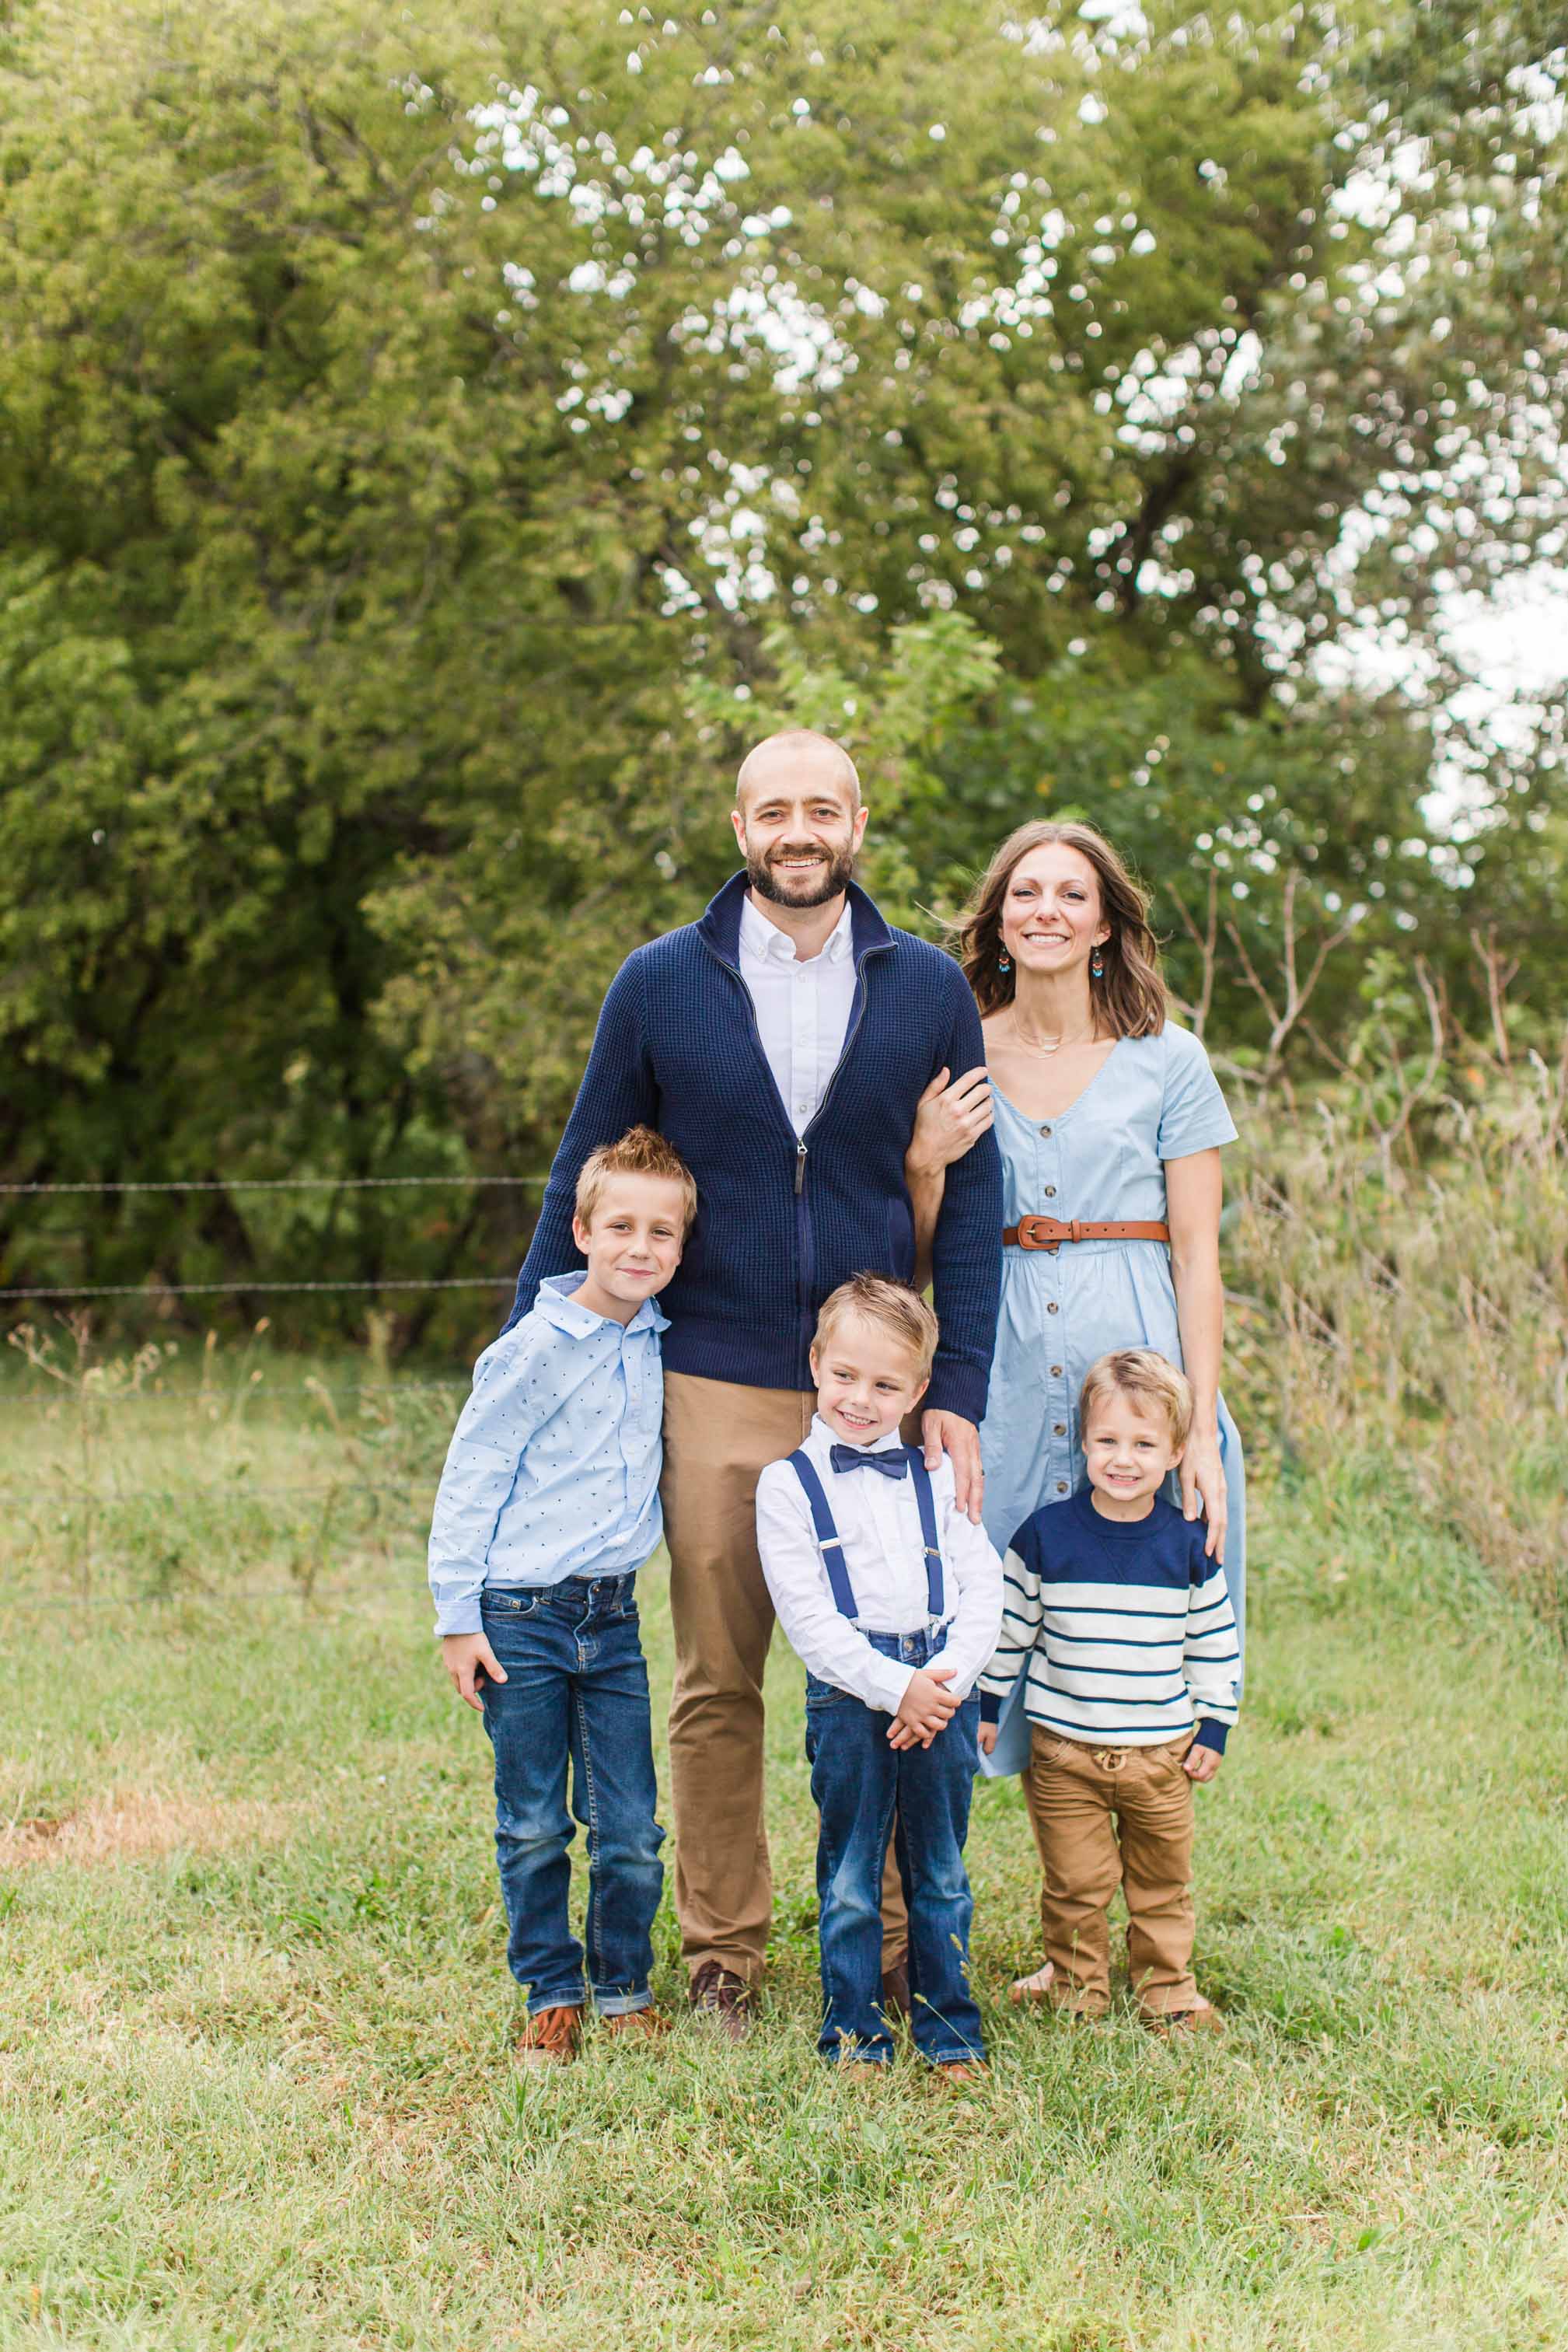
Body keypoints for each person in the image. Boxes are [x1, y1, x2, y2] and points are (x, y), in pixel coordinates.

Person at [504, 730, 1002, 2035]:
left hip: (878, 1390)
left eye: (821, 809)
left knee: (890, 1662)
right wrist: (531, 1352)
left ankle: (896, 1941)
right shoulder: (661, 982)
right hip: (713, 1378)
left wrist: (962, 1386)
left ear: (856, 823)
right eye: (774, 810)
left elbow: (975, 1201)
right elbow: (583, 1170)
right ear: (740, 828)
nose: (799, 831)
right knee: (718, 1678)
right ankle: (724, 1951)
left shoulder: (927, 990)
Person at [903, 820, 1245, 1856]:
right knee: (964, 1606)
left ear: (1105, 925)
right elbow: (914, 1246)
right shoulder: (953, 1052)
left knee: (1124, 1628)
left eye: (1070, 894)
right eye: (1024, 893)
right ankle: (925, 1906)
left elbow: (1198, 1256)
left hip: (1133, 1371)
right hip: (993, 1363)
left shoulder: (1167, 1060)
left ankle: (1134, 1924)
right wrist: (925, 1158)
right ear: (997, 922)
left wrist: (1194, 1432)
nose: (1045, 909)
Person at [428, 1126, 697, 2067]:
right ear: (579, 1230)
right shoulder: (533, 1347)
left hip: (611, 1618)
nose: (640, 1247)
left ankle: (622, 1984)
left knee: (629, 1827)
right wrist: (457, 1616)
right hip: (520, 1619)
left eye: (662, 1233)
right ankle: (551, 1989)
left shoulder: (664, 1338)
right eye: (620, 1225)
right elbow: (473, 1472)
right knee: (536, 1819)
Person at [756, 1277, 1002, 2076]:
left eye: (886, 1384)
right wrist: (895, 1689)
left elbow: (983, 1584)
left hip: (944, 1685)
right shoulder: (785, 1486)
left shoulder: (935, 1475)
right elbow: (810, 1624)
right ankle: (853, 2032)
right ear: (817, 1362)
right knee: (854, 1870)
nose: (861, 1399)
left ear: (918, 1391)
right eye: (846, 1376)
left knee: (940, 1869)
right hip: (850, 1694)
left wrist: (946, 1679)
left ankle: (948, 2029)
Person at [977, 1349, 1240, 2029]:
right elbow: (1013, 1630)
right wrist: (986, 1704)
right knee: (1074, 1882)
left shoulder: (1187, 1548)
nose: (1123, 1459)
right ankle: (1076, 1988)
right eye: (1107, 1441)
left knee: (1161, 1883)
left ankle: (1167, 1989)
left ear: (1176, 1451)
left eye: (1144, 1444)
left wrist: (1213, 1726)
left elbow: (1212, 1644)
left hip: (1161, 1756)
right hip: (1066, 1754)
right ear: (1084, 1442)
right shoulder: (1044, 1538)